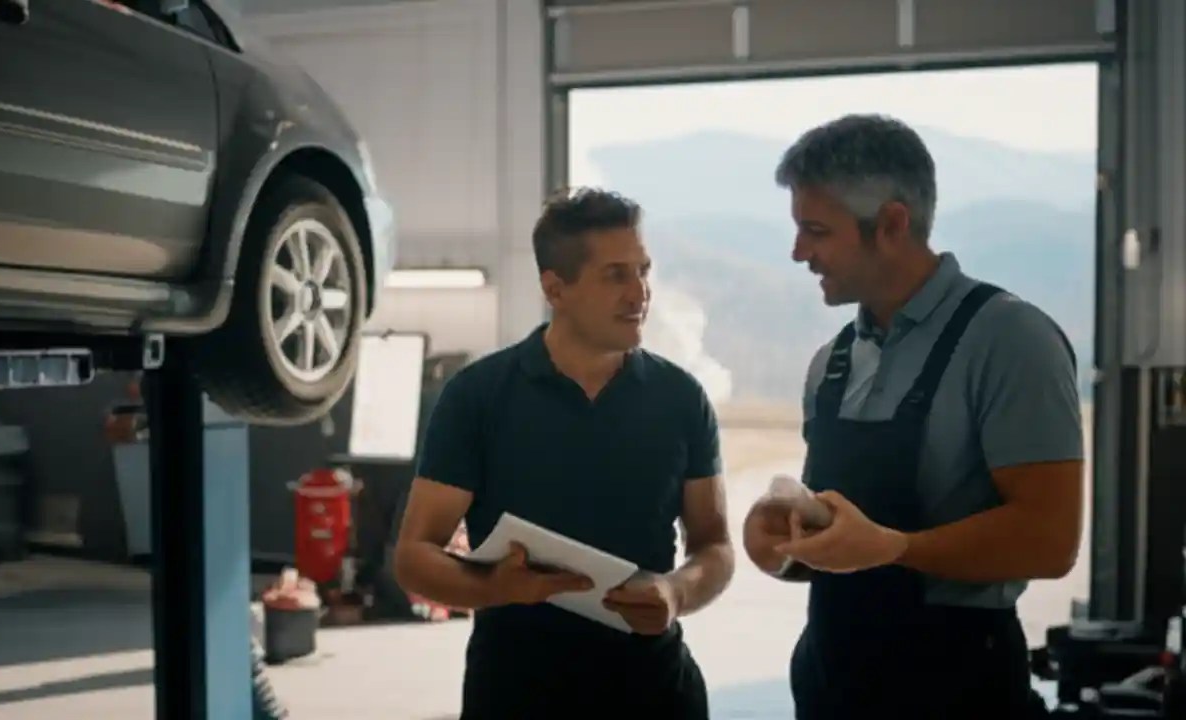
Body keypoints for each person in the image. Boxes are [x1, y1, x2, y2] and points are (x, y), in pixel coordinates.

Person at [742, 114, 1084, 719]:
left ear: (893, 224)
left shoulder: (1010, 339)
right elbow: (846, 543)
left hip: (956, 692)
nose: (799, 253)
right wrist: (788, 549)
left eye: (816, 231)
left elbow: (1050, 540)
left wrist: (894, 547)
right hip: (830, 689)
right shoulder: (832, 362)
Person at [394, 188, 734, 720]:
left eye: (643, 270)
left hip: (655, 693)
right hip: (514, 695)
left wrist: (674, 593)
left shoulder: (682, 399)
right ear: (556, 288)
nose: (640, 292)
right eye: (615, 275)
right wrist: (494, 586)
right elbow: (414, 555)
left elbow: (714, 547)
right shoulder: (477, 396)